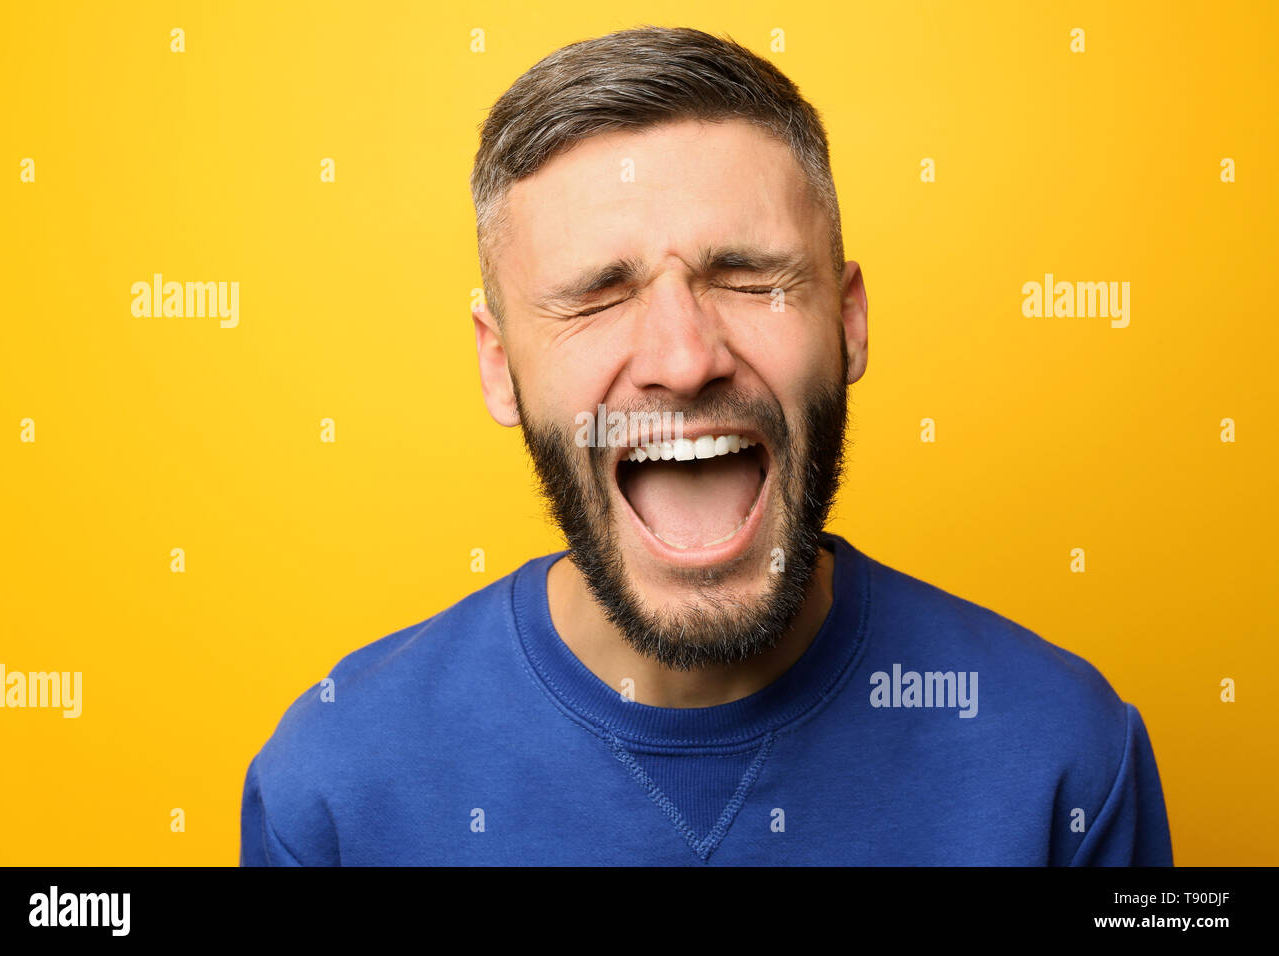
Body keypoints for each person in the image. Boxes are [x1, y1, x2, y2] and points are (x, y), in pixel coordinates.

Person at [240, 25, 1172, 865]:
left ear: (847, 324)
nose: (685, 361)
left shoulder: (1066, 761)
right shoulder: (332, 792)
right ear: (499, 366)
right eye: (599, 294)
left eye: (748, 277)